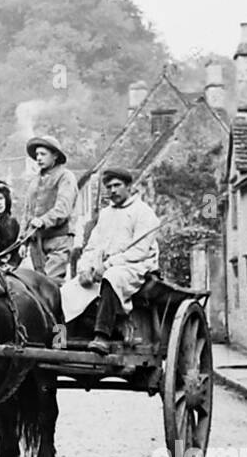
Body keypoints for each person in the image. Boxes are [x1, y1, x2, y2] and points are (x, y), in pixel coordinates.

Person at [71, 167, 161, 354]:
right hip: (103, 267)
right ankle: (64, 337)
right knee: (69, 289)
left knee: (112, 277)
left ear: (129, 186)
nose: (113, 190)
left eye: (117, 185)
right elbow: (92, 247)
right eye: (109, 187)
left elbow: (139, 251)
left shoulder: (143, 212)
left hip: (136, 266)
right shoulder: (105, 214)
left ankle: (102, 336)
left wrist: (108, 265)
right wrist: (85, 269)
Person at [23, 135, 79, 280]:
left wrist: (43, 220)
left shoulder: (66, 177)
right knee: (38, 287)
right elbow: (27, 213)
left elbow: (63, 208)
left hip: (59, 240)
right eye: (37, 155)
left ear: (55, 156)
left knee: (51, 283)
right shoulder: (34, 182)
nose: (39, 158)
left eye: (43, 154)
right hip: (37, 243)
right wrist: (23, 241)